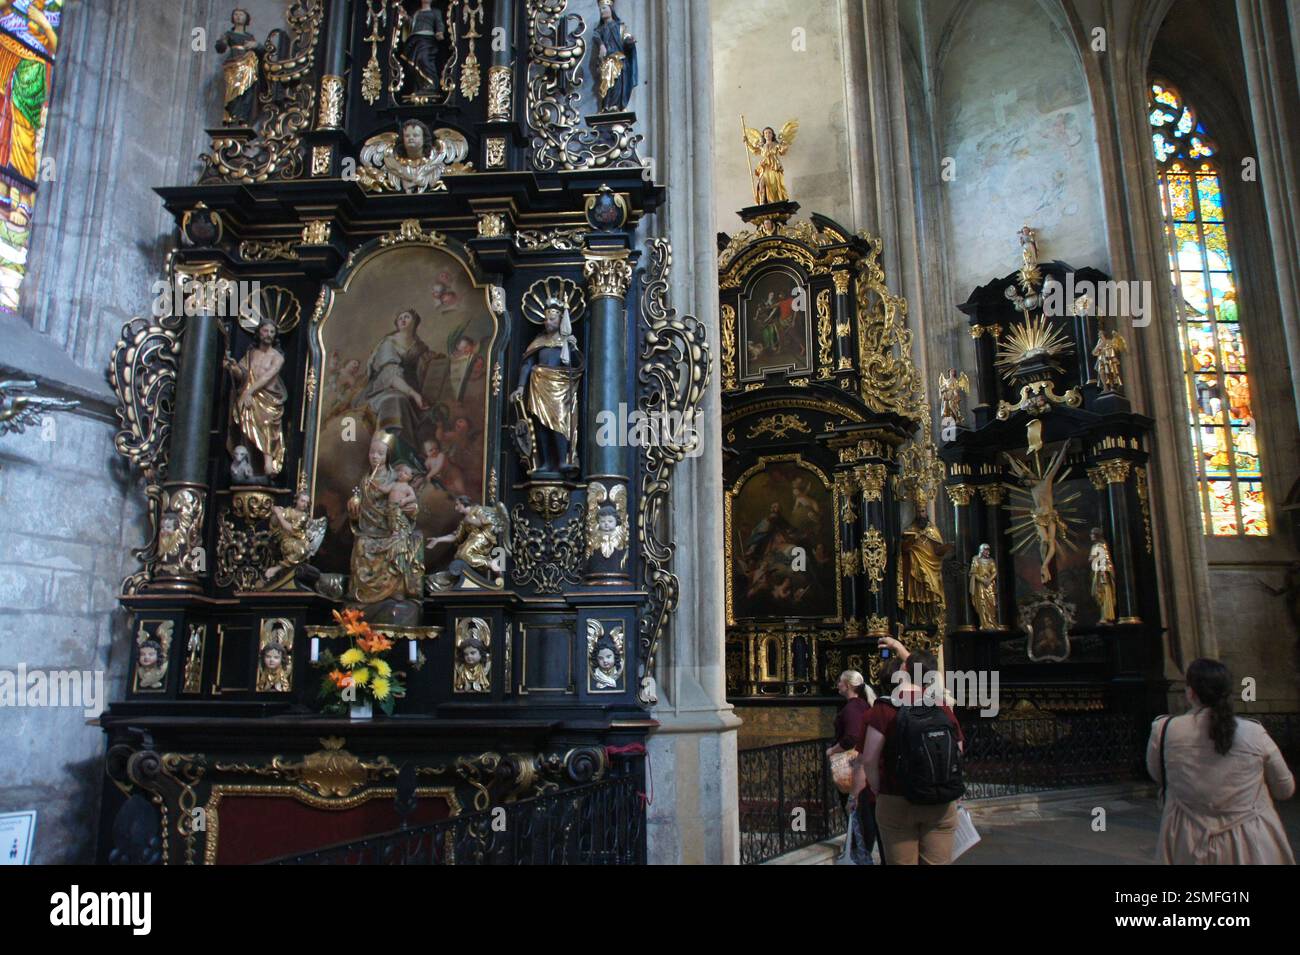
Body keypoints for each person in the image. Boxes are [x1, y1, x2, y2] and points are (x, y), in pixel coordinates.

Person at [1147, 658, 1295, 864]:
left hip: (1185, 838)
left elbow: (1158, 775)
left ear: (1190, 692)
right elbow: (1284, 789)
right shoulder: (1255, 733)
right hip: (1249, 840)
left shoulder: (1164, 730)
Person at [861, 648, 965, 865]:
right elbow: (959, 750)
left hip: (897, 797)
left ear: (903, 669)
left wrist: (878, 788)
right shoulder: (941, 707)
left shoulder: (884, 709)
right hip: (940, 799)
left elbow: (869, 758)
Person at [826, 670, 877, 864]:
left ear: (847, 685)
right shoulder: (862, 705)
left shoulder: (852, 709)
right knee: (863, 811)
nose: (837, 684)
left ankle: (859, 852)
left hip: (853, 767)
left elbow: (852, 737)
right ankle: (860, 850)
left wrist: (833, 750)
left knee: (857, 810)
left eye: (840, 681)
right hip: (863, 765)